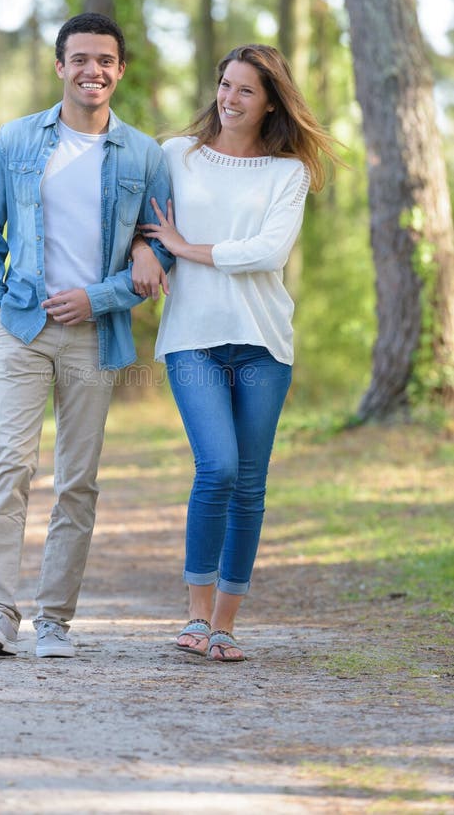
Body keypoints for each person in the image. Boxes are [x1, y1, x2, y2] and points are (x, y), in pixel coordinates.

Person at [0, 12, 172, 659]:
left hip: (95, 334)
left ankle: (54, 620)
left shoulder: (143, 153)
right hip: (22, 327)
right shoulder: (18, 141)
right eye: (80, 58)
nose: (93, 70)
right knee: (10, 466)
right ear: (60, 66)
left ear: (120, 69)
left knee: (77, 479)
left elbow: (163, 246)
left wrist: (99, 296)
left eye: (105, 60)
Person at [137, 44, 341, 662]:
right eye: (225, 84)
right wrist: (151, 251)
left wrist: (187, 245)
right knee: (218, 469)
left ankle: (225, 624)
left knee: (250, 486)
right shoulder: (177, 155)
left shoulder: (289, 173)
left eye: (246, 90)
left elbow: (268, 253)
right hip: (192, 339)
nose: (229, 98)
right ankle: (196, 617)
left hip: (263, 344)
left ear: (270, 101)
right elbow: (141, 227)